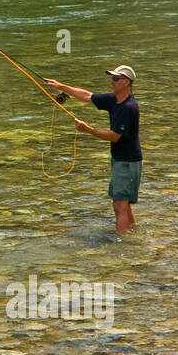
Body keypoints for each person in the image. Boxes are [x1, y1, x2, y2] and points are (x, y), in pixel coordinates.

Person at [44, 65, 142, 234]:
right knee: (123, 203)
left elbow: (114, 136)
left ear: (126, 82)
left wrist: (88, 130)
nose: (112, 81)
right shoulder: (114, 100)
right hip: (121, 160)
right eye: (112, 78)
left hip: (127, 162)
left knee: (119, 204)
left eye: (115, 78)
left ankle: (121, 243)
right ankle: (132, 233)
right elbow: (87, 96)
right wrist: (61, 87)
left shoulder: (128, 107)